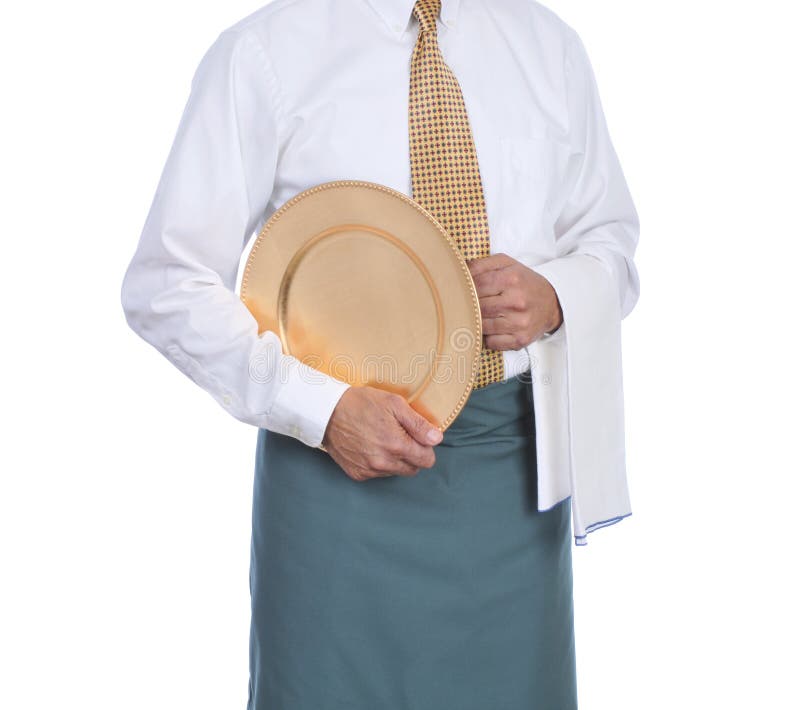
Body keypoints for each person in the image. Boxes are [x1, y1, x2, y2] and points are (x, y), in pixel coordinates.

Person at [121, 0, 640, 707]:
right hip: (337, 488)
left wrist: (554, 295)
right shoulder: (263, 52)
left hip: (509, 487)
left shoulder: (549, 47)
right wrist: (322, 410)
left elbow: (610, 240)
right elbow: (166, 282)